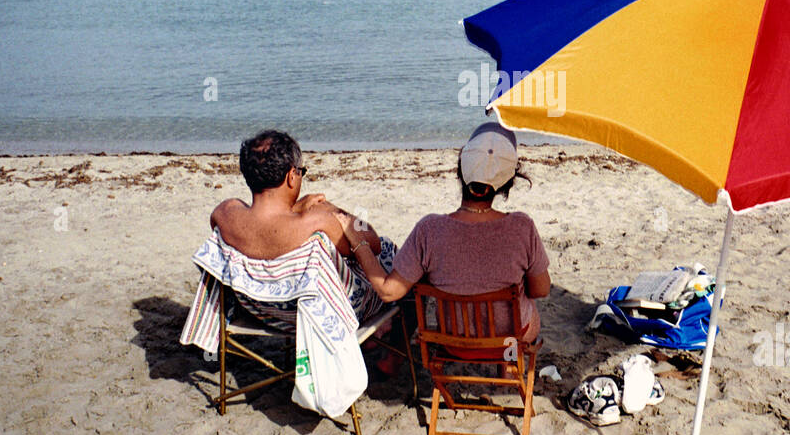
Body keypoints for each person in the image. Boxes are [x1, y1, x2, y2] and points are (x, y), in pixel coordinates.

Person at [344, 122, 551, 345]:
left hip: (453, 340)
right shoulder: (522, 227)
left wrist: (359, 244)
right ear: (507, 182)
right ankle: (507, 370)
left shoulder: (429, 229)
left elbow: (388, 291)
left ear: (461, 171)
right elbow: (540, 290)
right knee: (529, 308)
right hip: (507, 341)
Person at [209, 129, 392, 320]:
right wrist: (331, 209)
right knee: (388, 250)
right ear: (291, 176)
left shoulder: (226, 213)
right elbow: (372, 242)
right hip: (312, 316)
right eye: (301, 172)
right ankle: (393, 338)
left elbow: (265, 224)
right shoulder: (316, 222)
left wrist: (293, 208)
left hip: (260, 312)